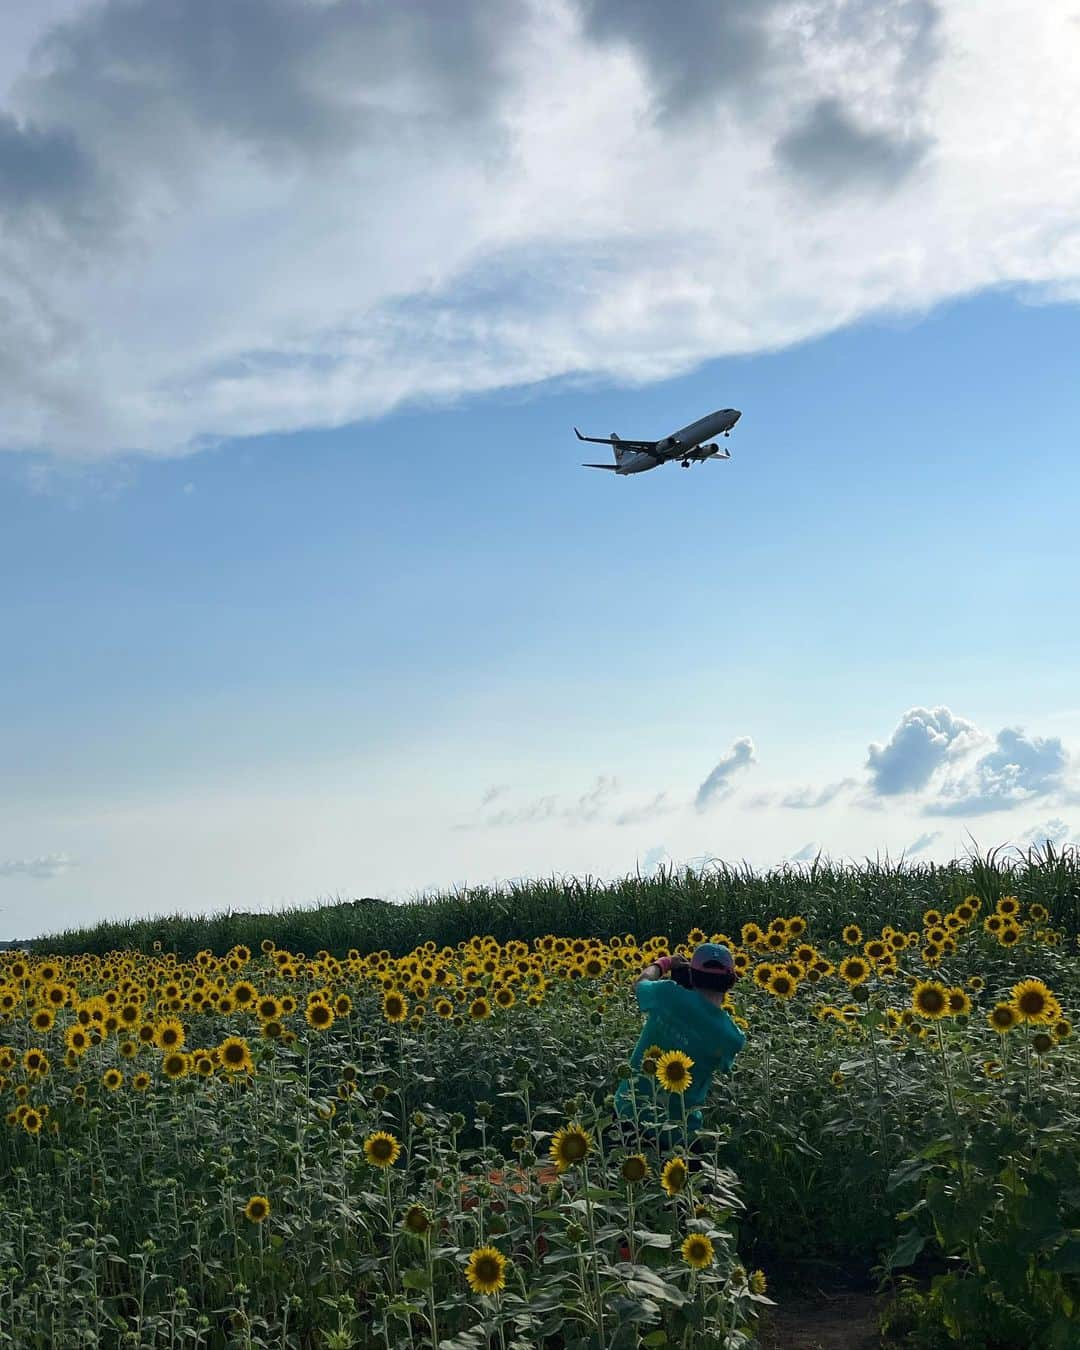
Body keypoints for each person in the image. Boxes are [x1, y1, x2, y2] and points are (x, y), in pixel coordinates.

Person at [611, 942, 745, 1158]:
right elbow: (722, 1065)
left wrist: (664, 963)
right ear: (731, 982)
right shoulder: (732, 1037)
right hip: (679, 1133)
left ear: (691, 975)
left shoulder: (666, 995)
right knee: (695, 1189)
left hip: (629, 1110)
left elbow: (640, 983)